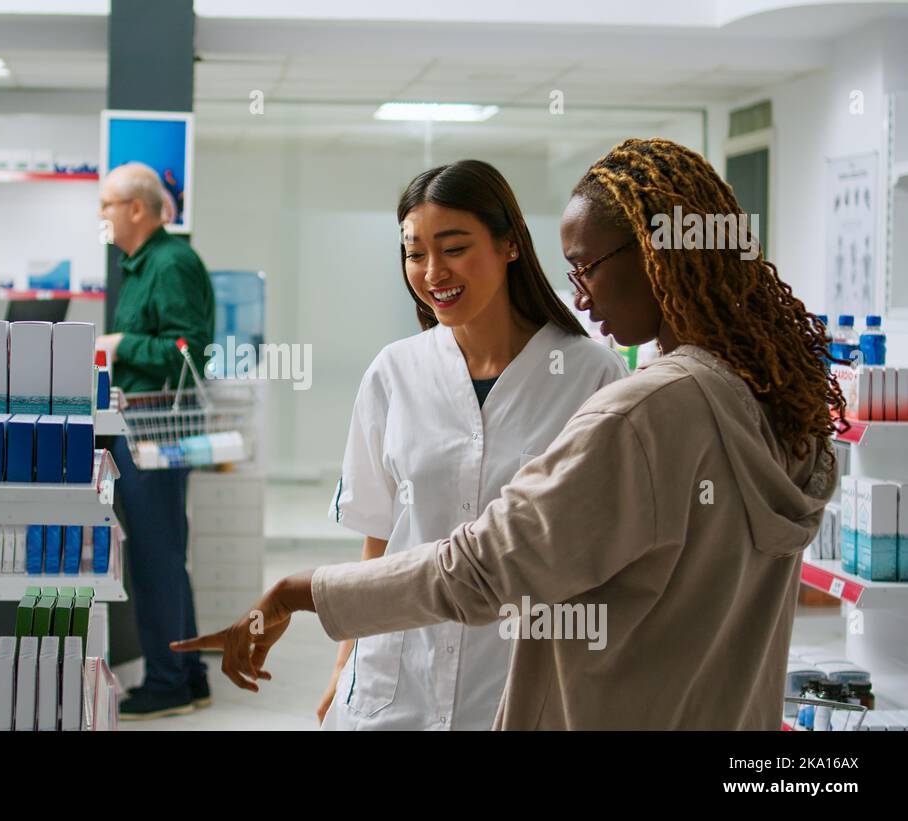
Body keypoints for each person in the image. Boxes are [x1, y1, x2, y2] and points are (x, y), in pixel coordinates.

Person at [176, 138, 844, 730]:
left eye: (586, 267)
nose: (580, 295)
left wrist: (301, 591)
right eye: (414, 252)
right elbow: (391, 528)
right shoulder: (767, 399)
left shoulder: (634, 403)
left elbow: (486, 564)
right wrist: (347, 654)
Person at [317, 160, 627, 730]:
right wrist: (345, 662)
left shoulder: (590, 376)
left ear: (509, 244)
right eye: (414, 252)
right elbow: (380, 537)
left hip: (519, 675)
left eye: (454, 247)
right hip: (395, 681)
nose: (433, 271)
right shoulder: (394, 372)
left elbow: (601, 553)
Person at [96, 161, 216, 720]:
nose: (103, 215)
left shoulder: (171, 263)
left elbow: (189, 349)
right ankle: (187, 674)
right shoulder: (141, 264)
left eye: (108, 205)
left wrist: (122, 346)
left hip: (156, 431)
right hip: (139, 427)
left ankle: (168, 680)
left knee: (154, 557)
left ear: (137, 209)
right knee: (163, 555)